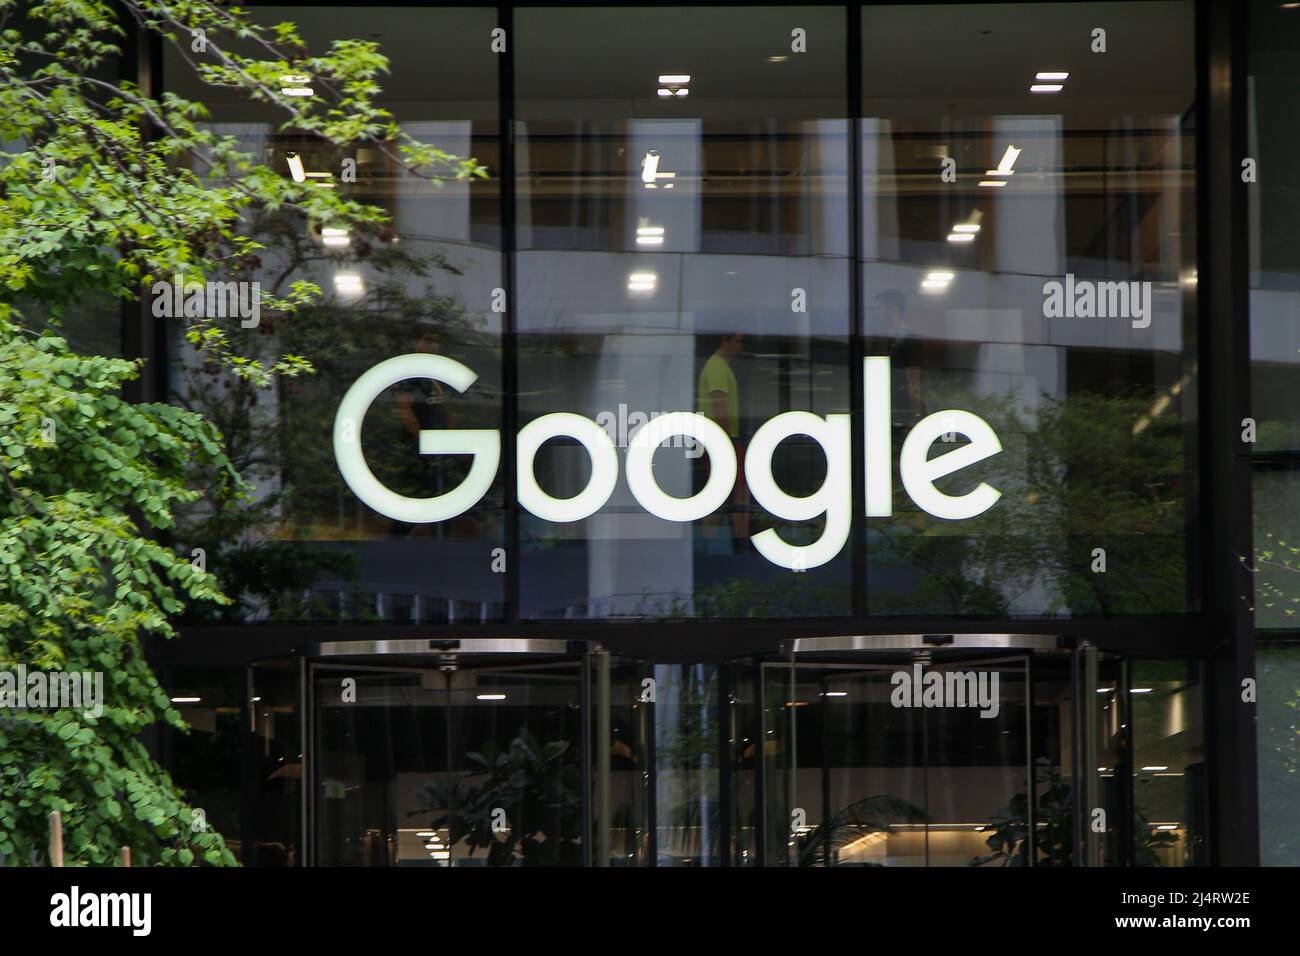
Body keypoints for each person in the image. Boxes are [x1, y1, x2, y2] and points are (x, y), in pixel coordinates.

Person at [695, 332, 750, 552]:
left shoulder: (717, 366)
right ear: (723, 340)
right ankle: (740, 548)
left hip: (719, 441)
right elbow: (720, 407)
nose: (740, 346)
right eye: (737, 341)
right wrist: (727, 443)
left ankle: (710, 546)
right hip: (724, 440)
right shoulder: (717, 367)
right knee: (738, 495)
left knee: (721, 495)